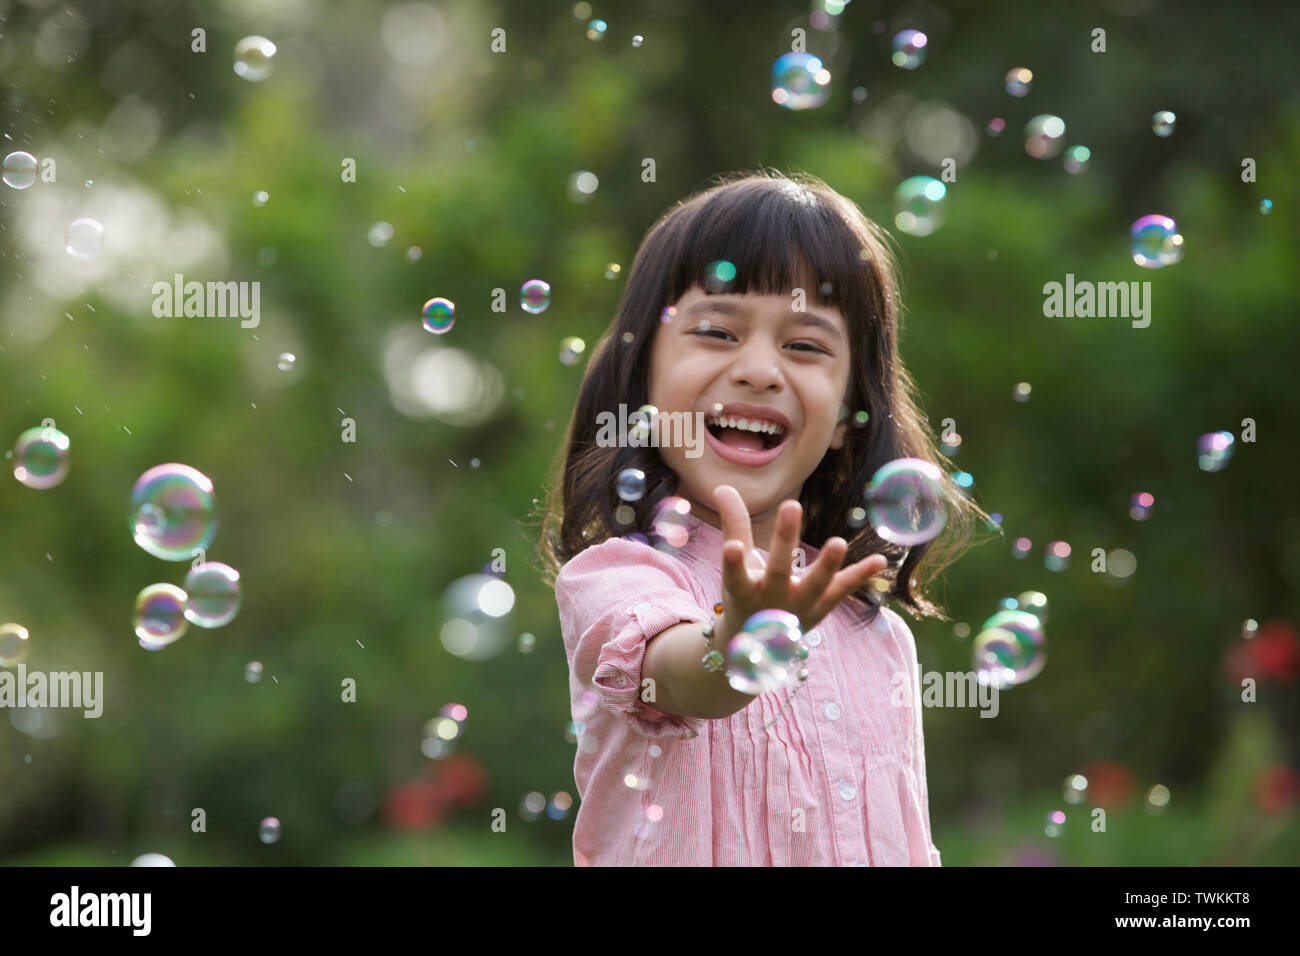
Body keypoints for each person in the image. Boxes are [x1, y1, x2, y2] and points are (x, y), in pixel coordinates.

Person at [537, 169, 986, 865]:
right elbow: (684, 678)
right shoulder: (619, 579)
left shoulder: (880, 637)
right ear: (643, 379)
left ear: (849, 414)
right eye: (717, 331)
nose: (758, 370)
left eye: (804, 345)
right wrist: (736, 642)